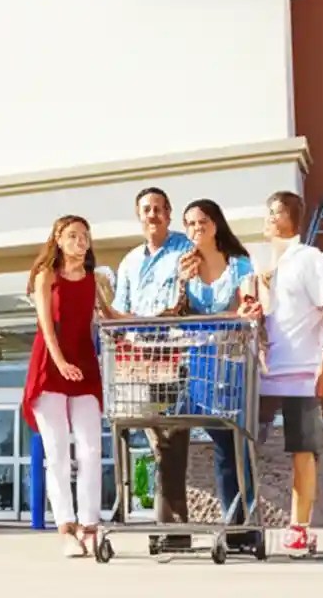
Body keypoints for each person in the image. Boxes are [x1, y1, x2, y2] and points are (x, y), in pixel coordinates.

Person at [238, 191, 323, 556]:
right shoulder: (266, 269)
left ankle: (299, 528)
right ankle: (244, 522)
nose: (268, 218)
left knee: (303, 450)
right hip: (265, 375)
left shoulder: (309, 258)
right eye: (267, 212)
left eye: (276, 212)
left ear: (293, 219)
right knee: (245, 445)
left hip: (302, 375)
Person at [110, 187, 197, 549]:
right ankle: (161, 524)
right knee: (152, 445)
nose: (153, 215)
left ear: (169, 213)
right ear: (139, 215)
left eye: (159, 209)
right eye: (146, 209)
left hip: (173, 359)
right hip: (137, 364)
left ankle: (174, 531)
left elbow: (182, 302)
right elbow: (120, 309)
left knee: (172, 444)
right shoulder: (129, 261)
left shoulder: (184, 251)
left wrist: (147, 320)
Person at [21, 215, 109, 557]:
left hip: (85, 367)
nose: (80, 241)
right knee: (57, 453)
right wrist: (59, 362)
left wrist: (157, 319)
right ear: (58, 239)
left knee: (89, 450)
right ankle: (66, 528)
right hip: (50, 365)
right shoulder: (46, 275)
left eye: (85, 236)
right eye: (72, 235)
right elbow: (45, 324)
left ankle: (90, 526)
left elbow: (109, 315)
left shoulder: (93, 280)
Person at [180, 198, 260, 548]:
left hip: (232, 362)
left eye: (202, 222)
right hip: (199, 364)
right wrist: (181, 283)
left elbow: (248, 305)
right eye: (190, 224)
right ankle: (233, 524)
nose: (196, 229)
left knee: (236, 445)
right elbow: (177, 314)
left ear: (216, 224)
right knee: (220, 445)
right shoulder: (185, 268)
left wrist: (237, 313)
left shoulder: (239, 264)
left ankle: (243, 526)